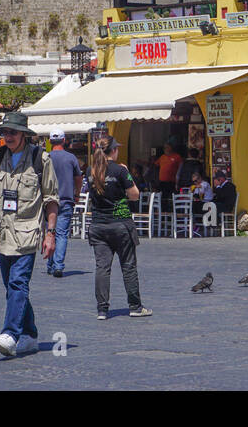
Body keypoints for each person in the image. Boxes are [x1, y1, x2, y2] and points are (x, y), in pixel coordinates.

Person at [0, 112, 59, 357]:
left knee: (18, 283)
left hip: (27, 233)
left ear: (24, 134)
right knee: (12, 287)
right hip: (1, 231)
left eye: (13, 132)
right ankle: (30, 334)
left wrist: (51, 234)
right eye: (5, 132)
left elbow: (51, 200)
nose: (8, 136)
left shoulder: (40, 160)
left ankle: (10, 334)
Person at [86, 134, 151, 320]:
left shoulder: (91, 170)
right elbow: (135, 195)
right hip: (120, 224)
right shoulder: (120, 171)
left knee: (102, 268)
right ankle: (135, 306)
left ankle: (102, 309)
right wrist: (127, 173)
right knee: (128, 266)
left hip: (98, 225)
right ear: (113, 150)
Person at [45, 128, 83, 278]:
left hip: (48, 201)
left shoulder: (46, 157)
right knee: (61, 234)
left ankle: (50, 264)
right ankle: (58, 266)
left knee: (49, 231)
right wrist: (77, 193)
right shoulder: (71, 158)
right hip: (66, 200)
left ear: (50, 141)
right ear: (64, 140)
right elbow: (79, 178)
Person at [156, 141, 182, 211]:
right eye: (164, 148)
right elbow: (155, 165)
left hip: (172, 181)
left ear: (171, 148)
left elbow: (181, 168)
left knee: (172, 198)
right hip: (162, 181)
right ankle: (163, 211)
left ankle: (173, 211)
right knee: (163, 198)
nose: (165, 149)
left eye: (167, 147)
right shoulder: (162, 157)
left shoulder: (177, 157)